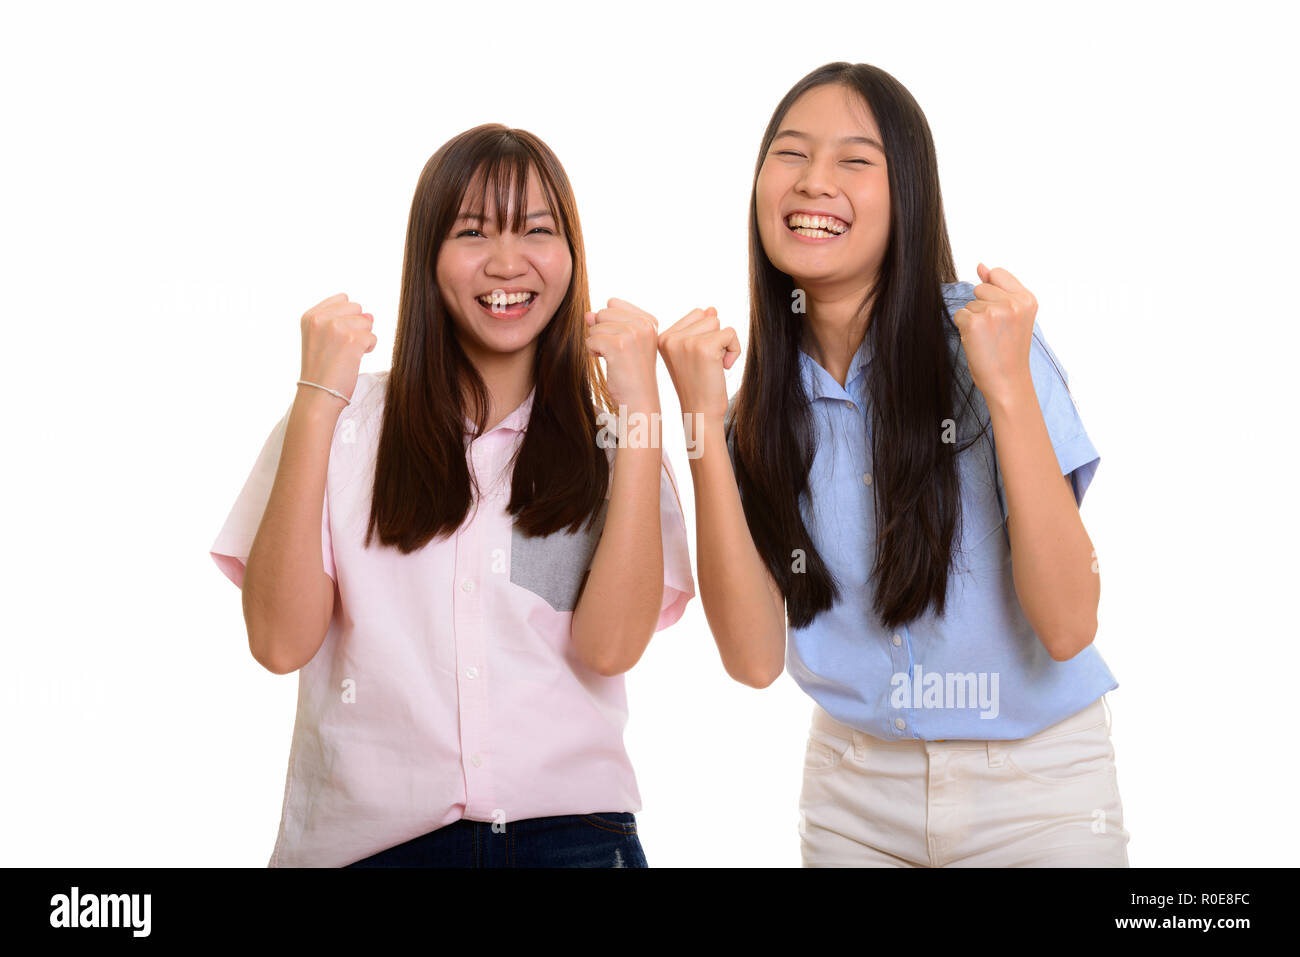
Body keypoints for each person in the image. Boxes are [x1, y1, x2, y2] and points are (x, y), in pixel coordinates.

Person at [657, 62, 1130, 867]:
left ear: (906, 192)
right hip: (854, 796)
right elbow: (752, 660)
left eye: (854, 160)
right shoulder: (759, 407)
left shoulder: (989, 346)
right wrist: (700, 423)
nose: (813, 183)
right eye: (790, 154)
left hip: (1037, 791)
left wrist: (1008, 386)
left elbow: (1068, 624)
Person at [209, 124, 695, 867]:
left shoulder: (612, 441)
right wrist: (314, 400)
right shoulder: (344, 424)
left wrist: (640, 416)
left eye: (536, 229)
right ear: (429, 258)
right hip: (373, 846)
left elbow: (610, 647)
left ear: (571, 256)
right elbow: (278, 642)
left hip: (571, 839)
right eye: (472, 232)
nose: (507, 262)